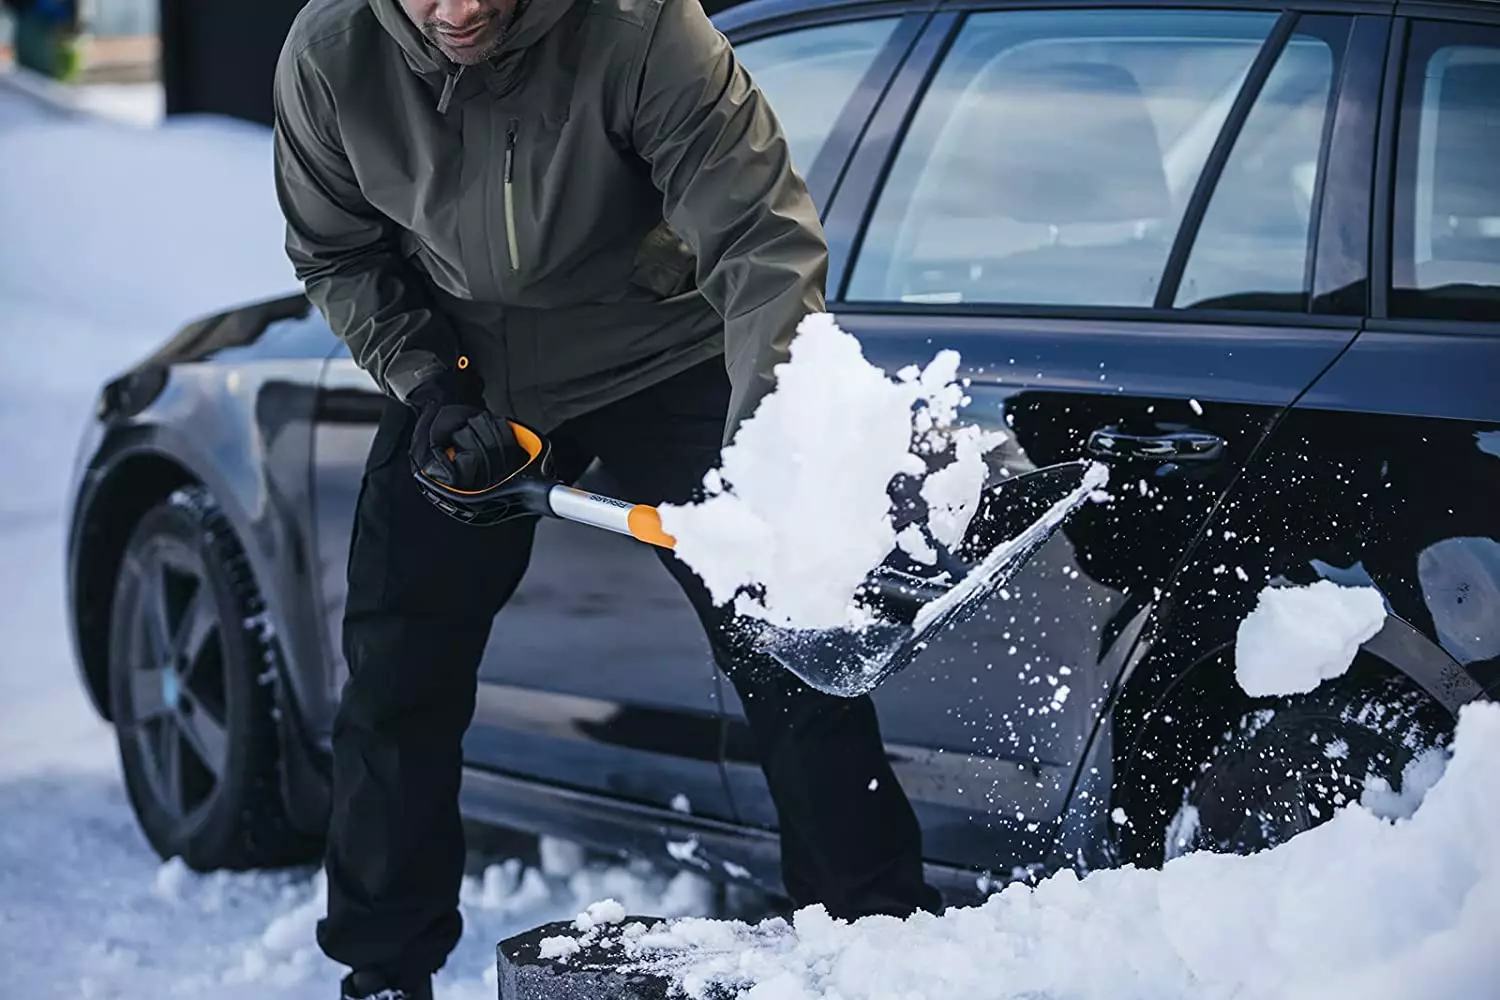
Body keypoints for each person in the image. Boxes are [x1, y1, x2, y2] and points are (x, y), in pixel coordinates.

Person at [271, 1, 942, 996]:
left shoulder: (640, 28)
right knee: (396, 674)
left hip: (659, 356)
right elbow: (337, 252)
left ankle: (879, 948)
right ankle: (381, 971)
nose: (456, 10)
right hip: (470, 373)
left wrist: (772, 451)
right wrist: (433, 384)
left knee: (793, 649)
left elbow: (762, 240)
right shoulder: (331, 56)